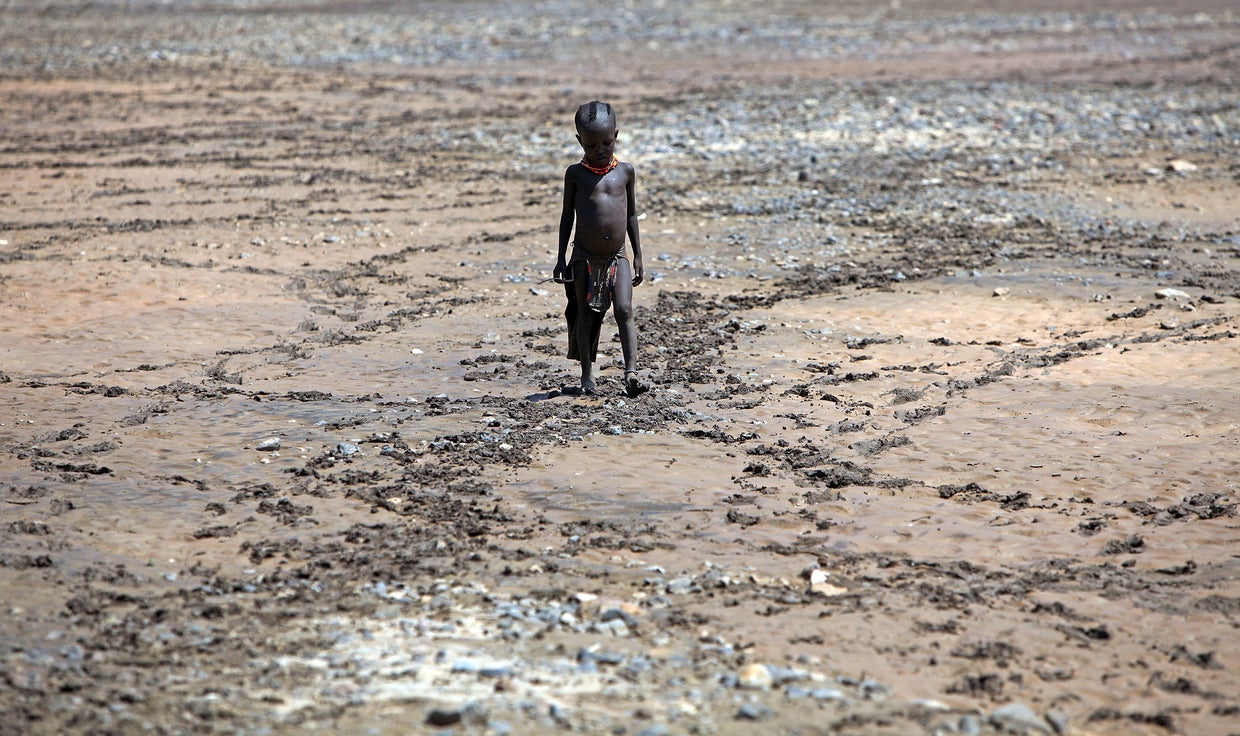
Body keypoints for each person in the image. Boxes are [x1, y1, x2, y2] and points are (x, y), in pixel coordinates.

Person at [554, 100, 647, 397]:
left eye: (606, 143)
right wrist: (561, 258)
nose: (600, 150)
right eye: (591, 145)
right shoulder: (576, 175)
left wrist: (639, 255)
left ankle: (631, 373)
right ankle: (586, 375)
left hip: (618, 255)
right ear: (580, 141)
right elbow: (567, 216)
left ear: (616, 136)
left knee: (624, 310)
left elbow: (631, 214)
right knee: (586, 314)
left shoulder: (625, 173)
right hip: (584, 257)